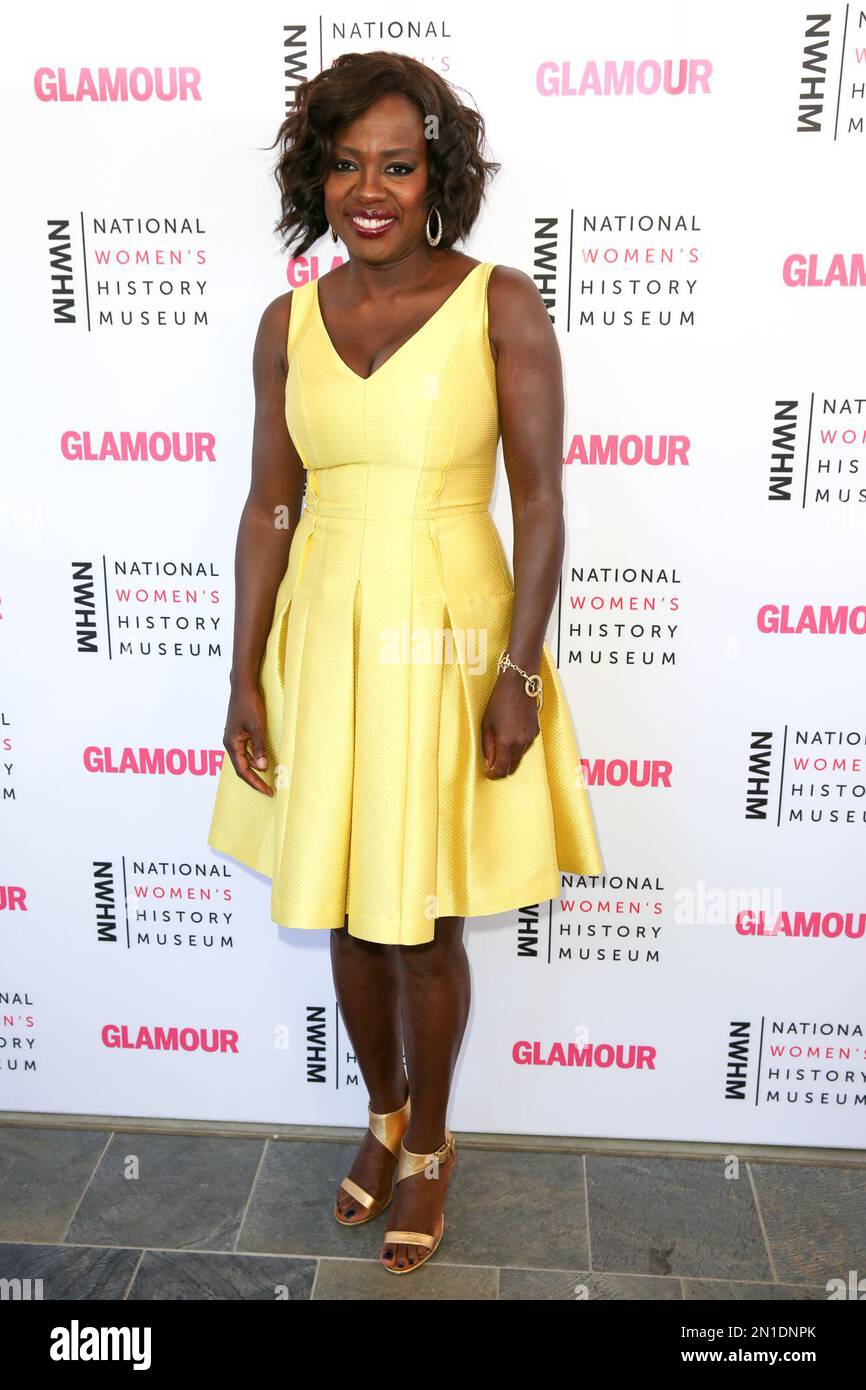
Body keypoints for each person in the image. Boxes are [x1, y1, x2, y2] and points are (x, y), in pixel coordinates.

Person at [208, 50, 603, 1275]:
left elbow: (537, 503)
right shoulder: (287, 324)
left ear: (436, 173)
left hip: (446, 633)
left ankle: (430, 1143)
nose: (366, 190)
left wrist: (521, 672)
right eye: (343, 164)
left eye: (395, 164)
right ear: (314, 177)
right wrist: (241, 672)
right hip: (321, 633)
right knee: (338, 901)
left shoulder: (500, 303)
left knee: (421, 919)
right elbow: (270, 504)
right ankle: (377, 1114)